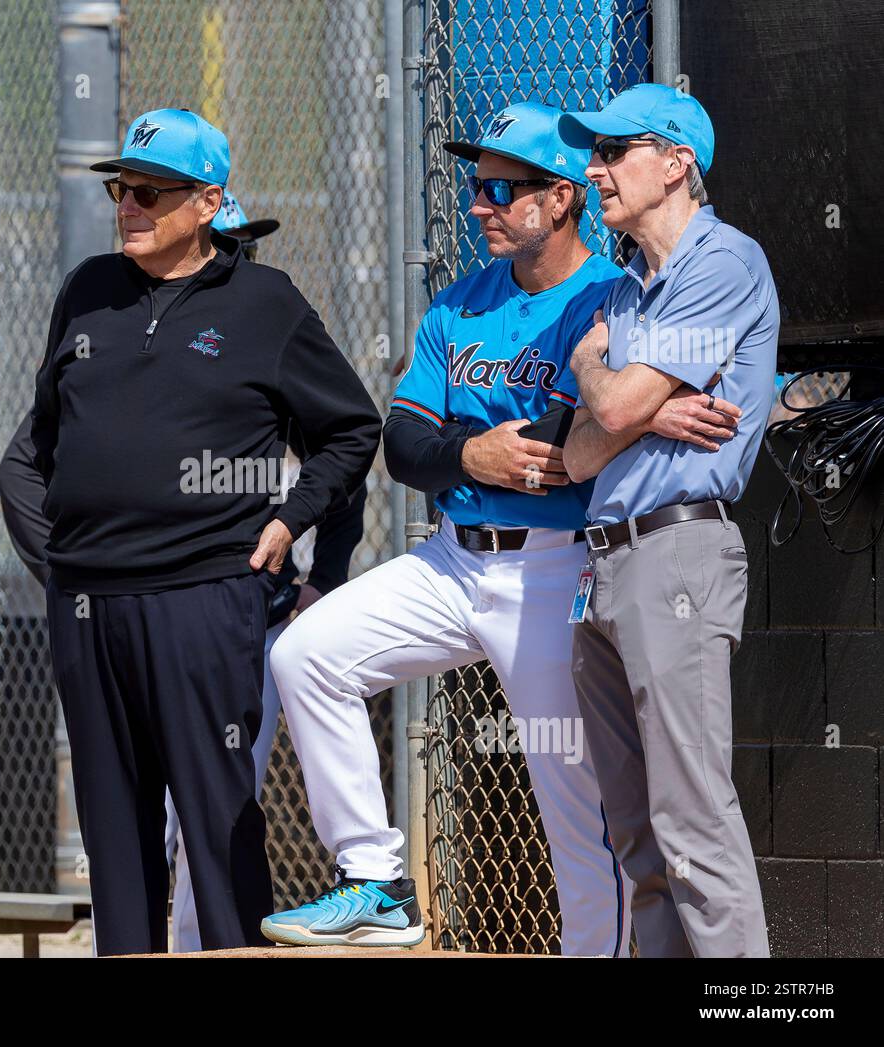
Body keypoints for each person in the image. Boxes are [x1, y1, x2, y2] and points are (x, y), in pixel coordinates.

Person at [261, 101, 733, 954]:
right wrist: (470, 454)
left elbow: (587, 431)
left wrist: (577, 431)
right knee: (305, 653)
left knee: (574, 803)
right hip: (451, 557)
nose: (478, 204)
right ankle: (375, 877)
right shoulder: (458, 306)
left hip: (555, 568)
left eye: (499, 189)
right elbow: (403, 443)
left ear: (560, 199)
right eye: (474, 187)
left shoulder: (612, 296)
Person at [31, 108, 381, 955]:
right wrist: (60, 550)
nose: (130, 205)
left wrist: (292, 519)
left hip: (202, 597)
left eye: (154, 191)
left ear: (208, 203)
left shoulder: (265, 302)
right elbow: (45, 439)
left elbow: (351, 429)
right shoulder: (88, 289)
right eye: (122, 188)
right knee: (114, 842)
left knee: (218, 827)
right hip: (88, 603)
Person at [558, 84, 777, 957]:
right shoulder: (627, 290)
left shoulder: (722, 261)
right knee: (637, 834)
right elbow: (578, 456)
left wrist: (605, 385)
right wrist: (631, 405)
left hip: (678, 547)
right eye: (595, 152)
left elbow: (608, 413)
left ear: (678, 161)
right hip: (605, 562)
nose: (595, 169)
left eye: (617, 151)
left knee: (690, 817)